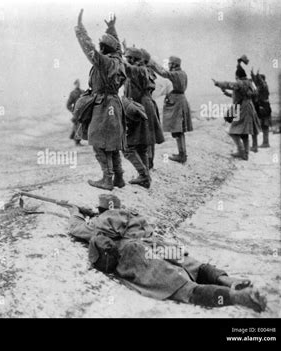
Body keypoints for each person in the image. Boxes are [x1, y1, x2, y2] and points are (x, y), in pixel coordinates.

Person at [67, 194, 267, 312]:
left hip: (137, 252)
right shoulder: (132, 215)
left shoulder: (103, 221)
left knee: (184, 289)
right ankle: (230, 281)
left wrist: (75, 212)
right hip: (159, 244)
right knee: (196, 267)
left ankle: (235, 297)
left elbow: (77, 229)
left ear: (100, 209)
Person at [74, 9, 126, 191]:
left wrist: (80, 29)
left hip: (103, 105)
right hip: (114, 103)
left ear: (103, 49)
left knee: (98, 142)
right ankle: (118, 177)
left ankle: (107, 179)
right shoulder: (118, 59)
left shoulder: (104, 62)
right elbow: (118, 47)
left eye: (100, 45)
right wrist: (112, 29)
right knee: (112, 142)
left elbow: (89, 49)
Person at [149, 56, 193, 163]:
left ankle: (182, 155)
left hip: (177, 102)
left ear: (174, 64)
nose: (168, 65)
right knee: (179, 130)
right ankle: (182, 153)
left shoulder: (176, 74)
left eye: (169, 64)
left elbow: (164, 73)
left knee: (178, 130)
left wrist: (151, 61)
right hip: (180, 101)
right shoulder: (182, 73)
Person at [213, 64, 260, 161]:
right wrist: (226, 93)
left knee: (233, 131)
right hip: (249, 107)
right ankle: (246, 154)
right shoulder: (249, 83)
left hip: (243, 109)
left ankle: (241, 151)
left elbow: (228, 84)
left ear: (237, 76)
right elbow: (239, 96)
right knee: (244, 133)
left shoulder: (239, 83)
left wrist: (218, 83)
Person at [120, 45, 151, 189]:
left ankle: (144, 176)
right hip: (142, 109)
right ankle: (145, 176)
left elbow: (123, 64)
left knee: (127, 147)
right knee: (142, 147)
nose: (126, 60)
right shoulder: (142, 69)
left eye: (128, 57)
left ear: (133, 59)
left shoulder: (136, 70)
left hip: (135, 111)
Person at [140, 48, 165, 169]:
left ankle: (147, 163)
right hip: (149, 103)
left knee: (145, 135)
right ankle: (149, 161)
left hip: (142, 104)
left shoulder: (142, 71)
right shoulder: (149, 71)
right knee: (149, 134)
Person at [251, 69, 272, 148]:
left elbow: (259, 82)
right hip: (264, 107)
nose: (257, 81)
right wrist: (252, 74)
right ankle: (265, 143)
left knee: (262, 125)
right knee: (264, 125)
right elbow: (255, 81)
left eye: (259, 79)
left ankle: (263, 143)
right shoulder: (262, 86)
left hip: (264, 107)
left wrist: (257, 75)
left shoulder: (264, 86)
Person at [67, 79, 84, 146]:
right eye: (76, 83)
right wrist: (73, 111)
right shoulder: (72, 93)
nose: (78, 84)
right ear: (74, 84)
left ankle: (73, 136)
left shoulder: (83, 92)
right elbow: (68, 105)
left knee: (79, 126)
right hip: (76, 112)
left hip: (82, 112)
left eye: (78, 83)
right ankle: (77, 141)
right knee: (78, 126)